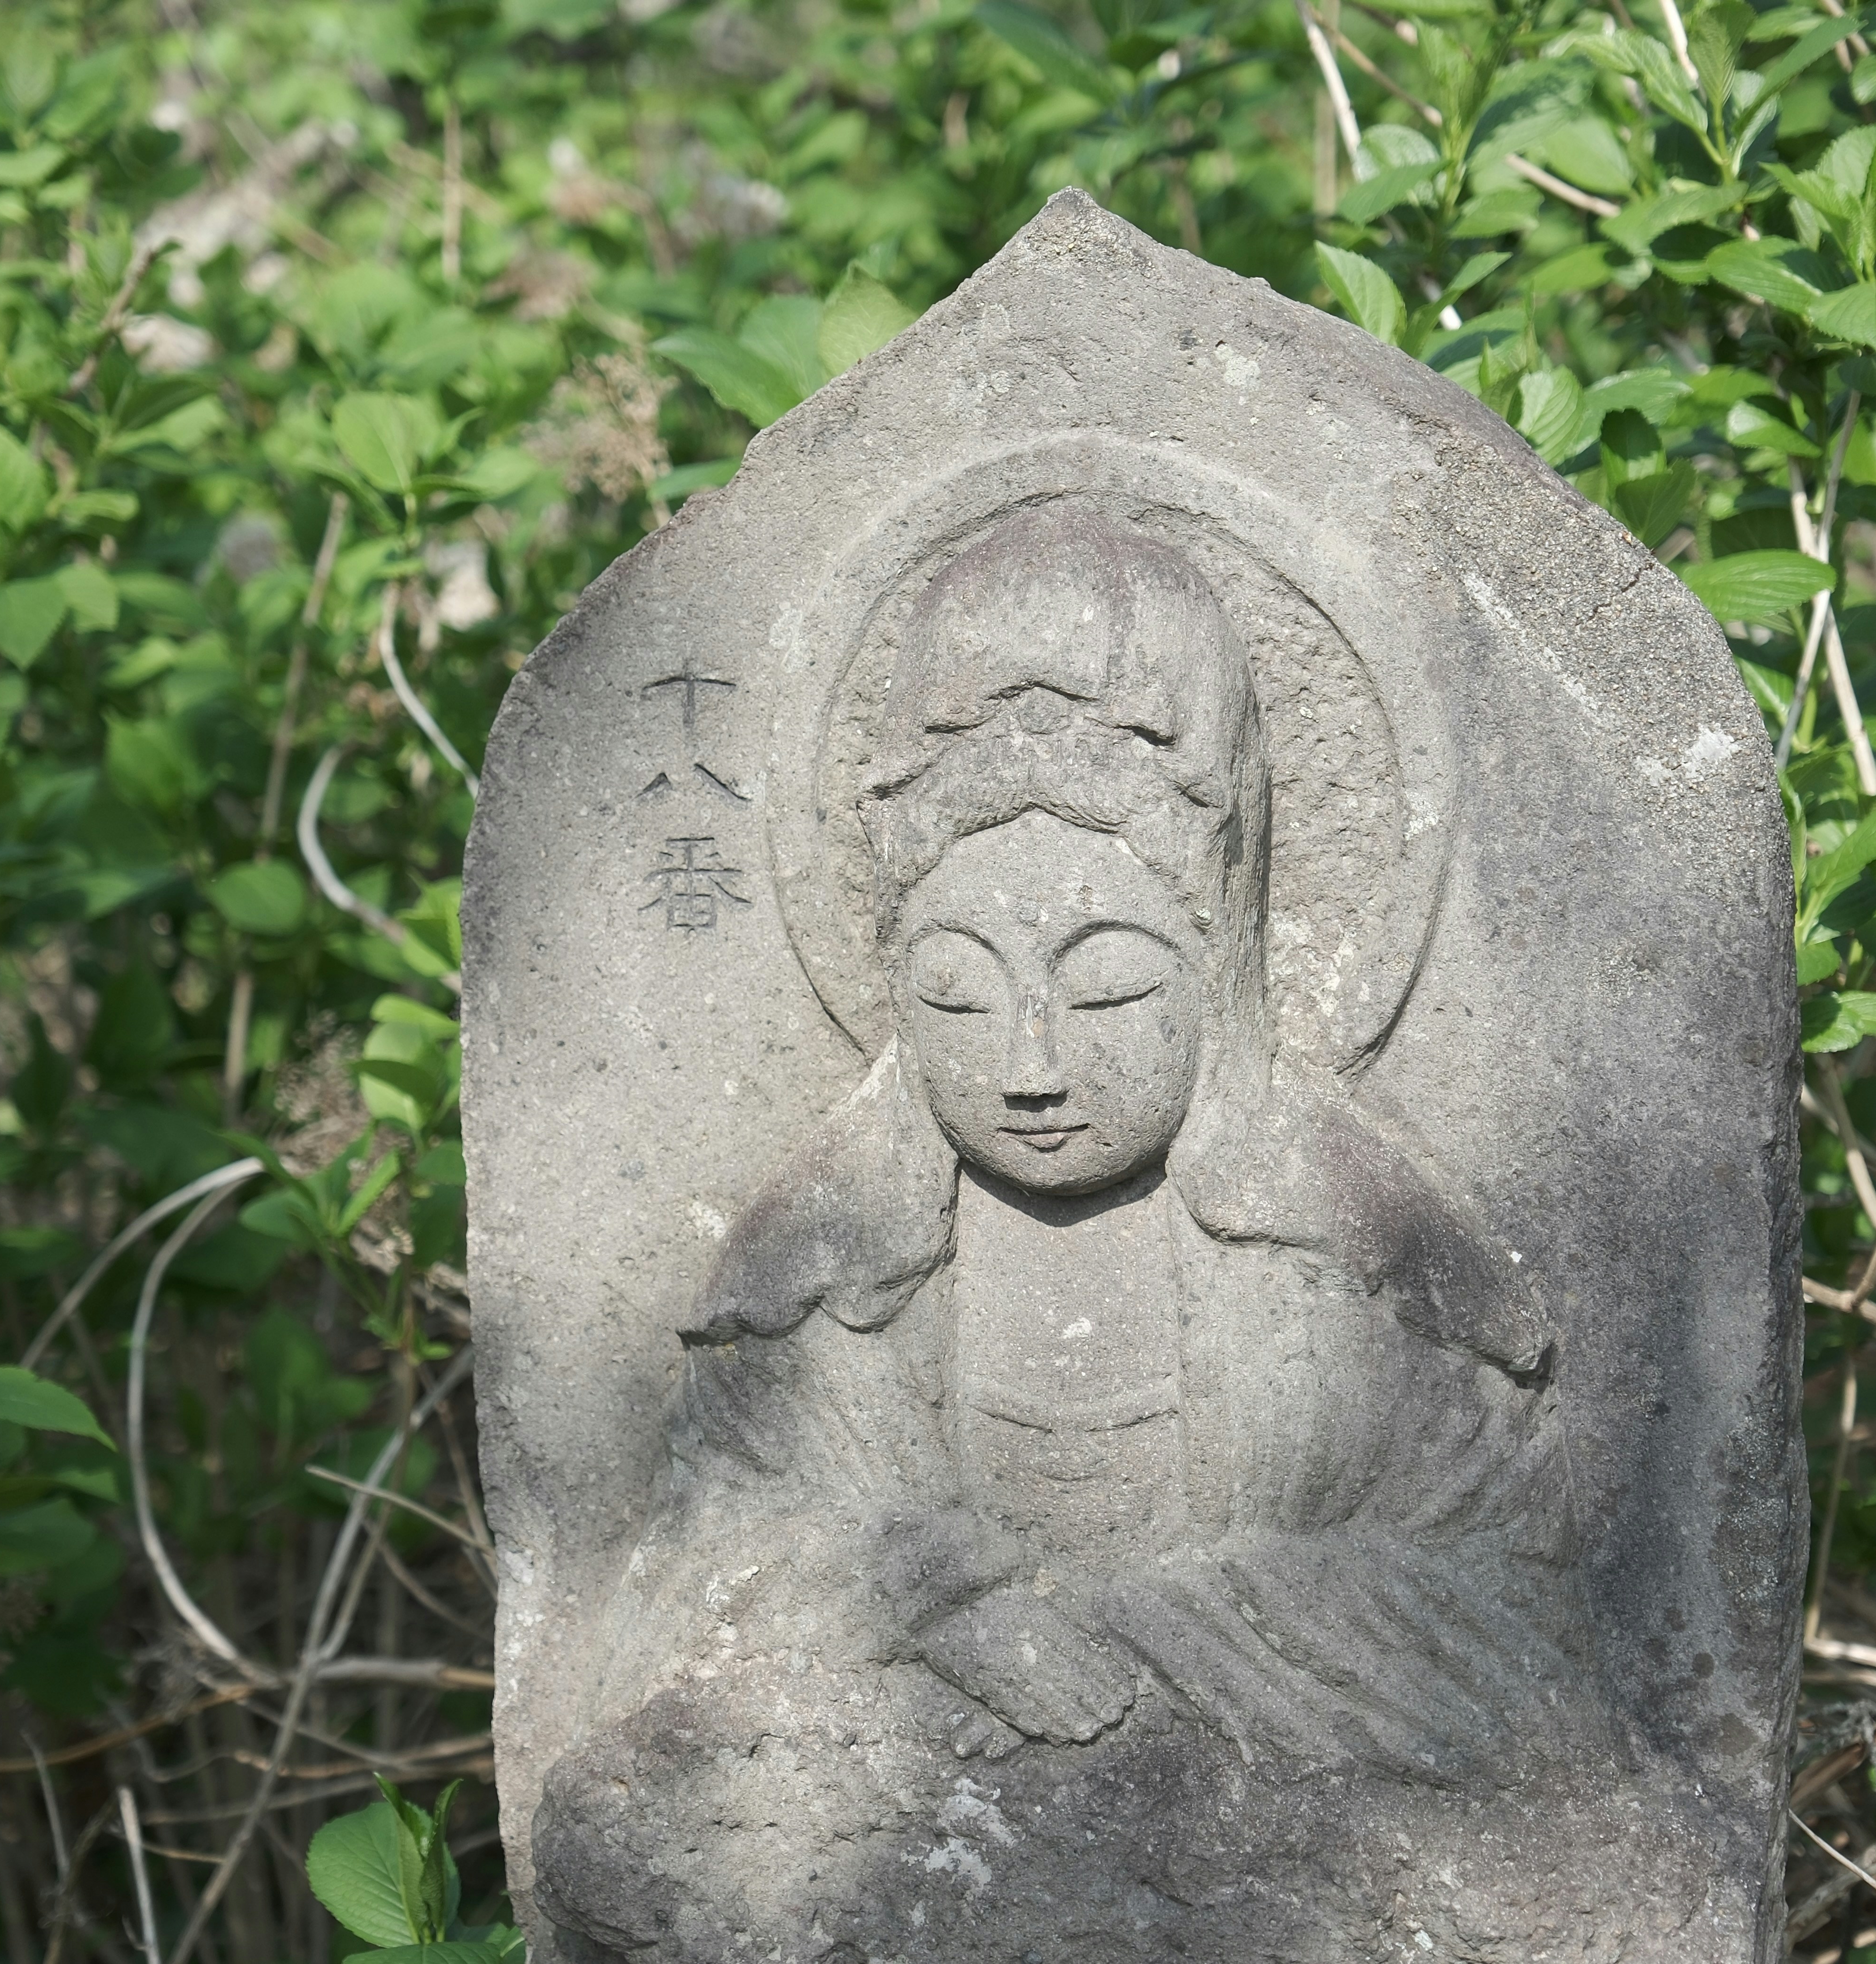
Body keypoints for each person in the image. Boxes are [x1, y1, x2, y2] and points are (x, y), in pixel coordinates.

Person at [530, 506, 1638, 1963]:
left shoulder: (1369, 1269)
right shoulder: (827, 1273)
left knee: (1623, 1872)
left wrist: (1153, 1636)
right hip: (917, 1834)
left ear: (1221, 972)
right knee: (614, 1828)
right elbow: (686, 1614)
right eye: (961, 998)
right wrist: (924, 1600)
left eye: (1109, 993)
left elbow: (1524, 1645)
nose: (1034, 1064)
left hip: (1286, 1844)